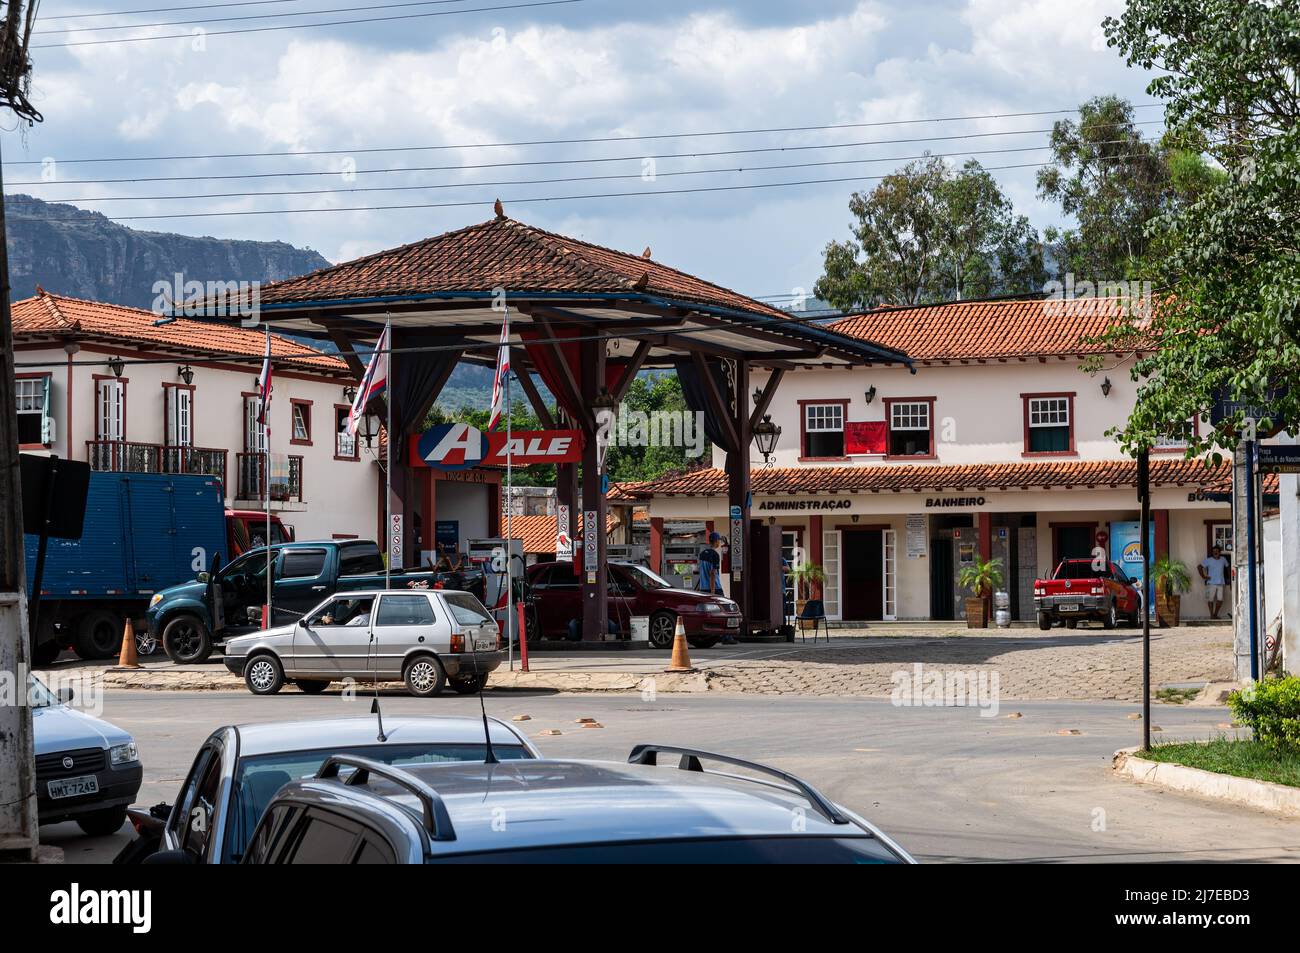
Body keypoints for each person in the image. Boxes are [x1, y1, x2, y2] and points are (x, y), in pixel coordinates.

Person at [697, 532, 738, 646]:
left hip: (702, 588)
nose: (719, 542)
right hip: (714, 588)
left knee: (709, 613)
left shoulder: (702, 554)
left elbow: (700, 572)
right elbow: (713, 573)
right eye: (718, 540)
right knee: (724, 611)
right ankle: (726, 636)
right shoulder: (714, 555)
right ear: (715, 541)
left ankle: (712, 634)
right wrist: (713, 590)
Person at [1198, 545, 1231, 620]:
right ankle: (1211, 615)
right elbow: (1199, 567)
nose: (1215, 553)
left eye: (1216, 551)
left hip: (1221, 583)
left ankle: (1215, 614)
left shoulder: (1223, 559)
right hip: (1211, 583)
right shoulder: (1209, 560)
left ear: (1219, 552)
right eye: (1214, 552)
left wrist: (1230, 578)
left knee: (1220, 600)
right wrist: (1204, 576)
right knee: (1210, 599)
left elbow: (1228, 567)